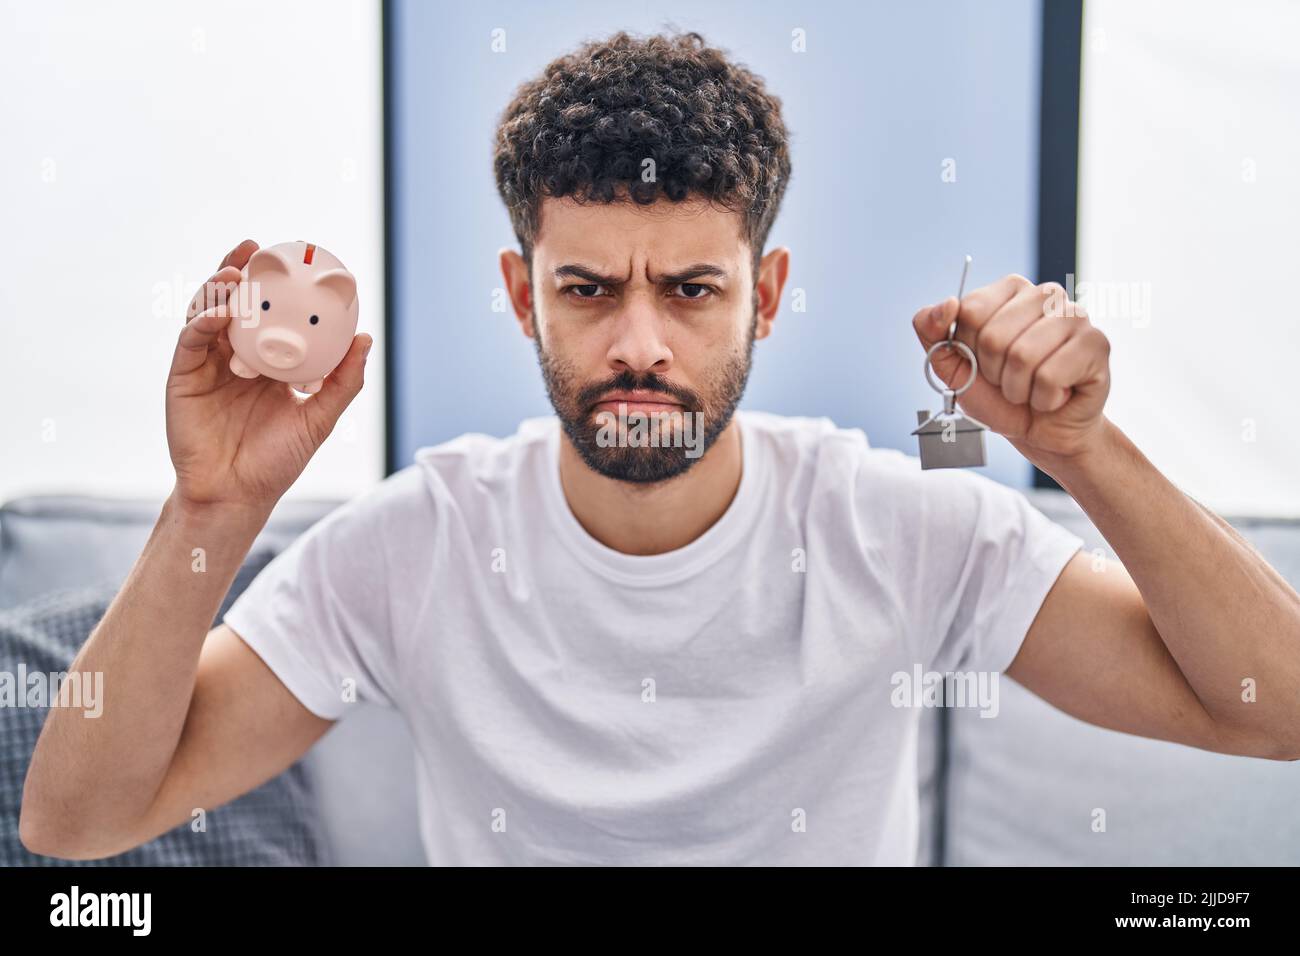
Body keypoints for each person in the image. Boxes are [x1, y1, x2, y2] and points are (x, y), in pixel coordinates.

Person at [21, 31, 1300, 866]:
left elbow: (1277, 711)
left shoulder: (903, 528)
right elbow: (77, 821)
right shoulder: (415, 543)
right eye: (588, 291)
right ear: (523, 295)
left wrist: (1084, 450)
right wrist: (209, 508)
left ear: (767, 291)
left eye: (690, 290)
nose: (639, 342)